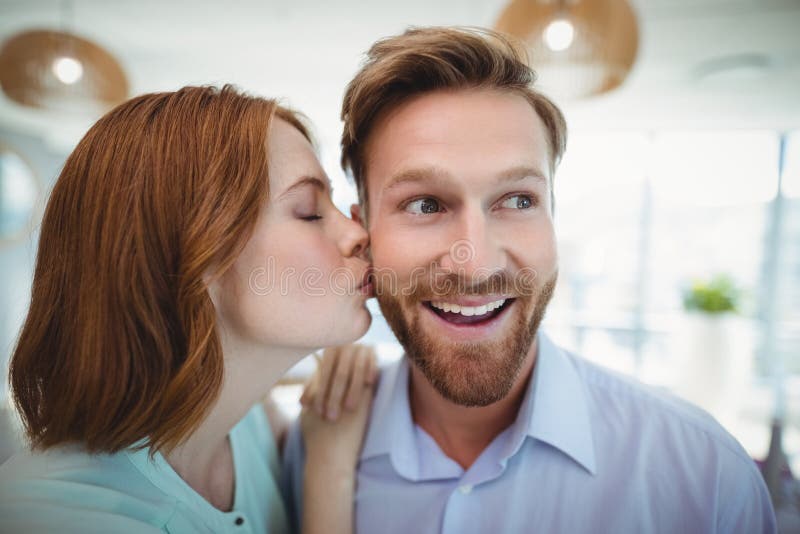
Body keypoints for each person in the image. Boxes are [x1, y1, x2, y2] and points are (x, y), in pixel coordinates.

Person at [282, 27, 777, 533]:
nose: (475, 265)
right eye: (425, 204)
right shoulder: (313, 449)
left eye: (518, 200)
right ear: (363, 230)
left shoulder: (705, 476)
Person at [0, 85, 377, 533]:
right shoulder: (59, 519)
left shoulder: (248, 429)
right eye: (310, 212)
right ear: (196, 252)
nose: (359, 233)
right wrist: (329, 465)